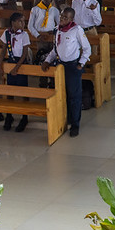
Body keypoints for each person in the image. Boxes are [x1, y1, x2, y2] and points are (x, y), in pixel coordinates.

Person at [42, 8, 91, 138]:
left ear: (71, 19)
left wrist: (81, 63)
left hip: (73, 66)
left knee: (74, 96)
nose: (62, 19)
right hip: (60, 65)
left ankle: (75, 124)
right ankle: (66, 118)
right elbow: (55, 48)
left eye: (65, 17)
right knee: (61, 94)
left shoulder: (76, 30)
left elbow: (87, 48)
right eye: (61, 16)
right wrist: (47, 61)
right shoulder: (57, 29)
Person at [0, 12, 32, 132]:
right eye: (20, 21)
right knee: (10, 91)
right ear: (13, 23)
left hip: (21, 65)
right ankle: (9, 116)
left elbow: (24, 54)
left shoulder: (24, 35)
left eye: (23, 21)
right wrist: (0, 64)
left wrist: (16, 68)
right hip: (10, 62)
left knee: (23, 92)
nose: (23, 24)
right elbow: (3, 50)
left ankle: (24, 117)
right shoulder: (7, 33)